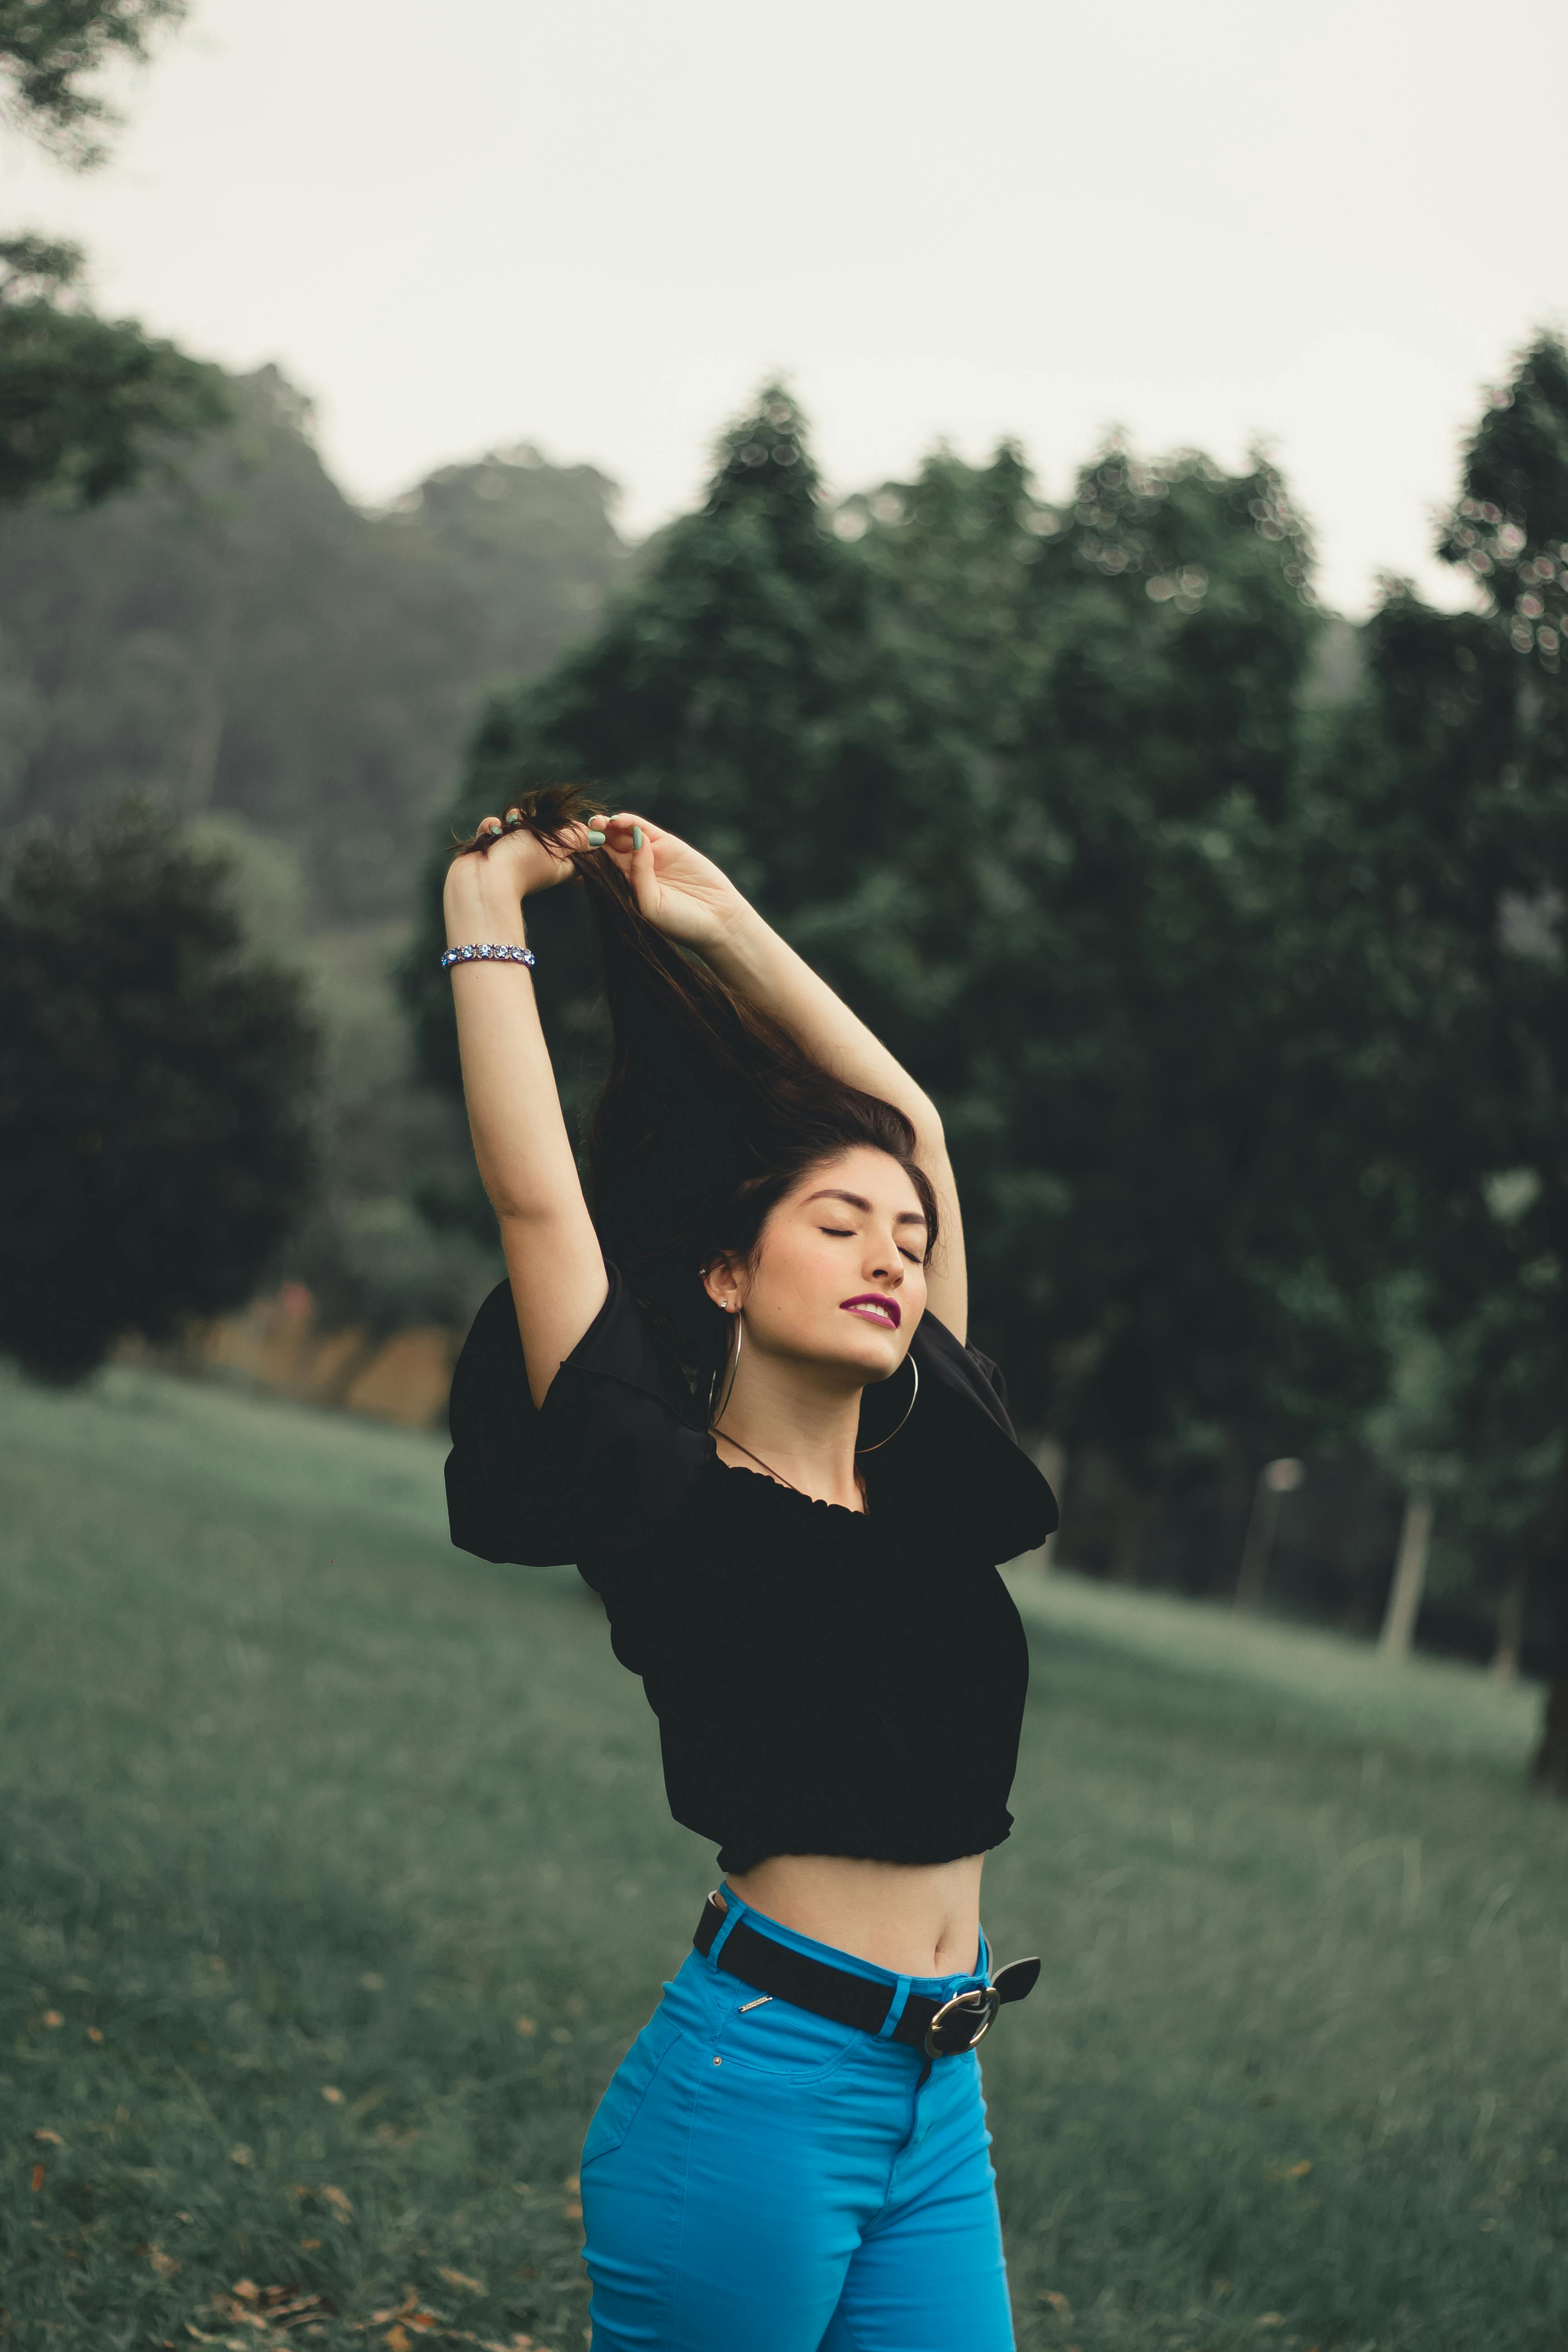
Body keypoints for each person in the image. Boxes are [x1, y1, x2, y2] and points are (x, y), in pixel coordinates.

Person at [441, 787, 1057, 2352]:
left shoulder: (931, 1484)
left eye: (908, 1242)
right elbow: (538, 1199)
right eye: (840, 1224)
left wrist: (725, 925)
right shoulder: (666, 1500)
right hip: (757, 2097)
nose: (893, 1254)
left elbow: (911, 1124)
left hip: (939, 2103)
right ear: (726, 1269)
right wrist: (486, 912)